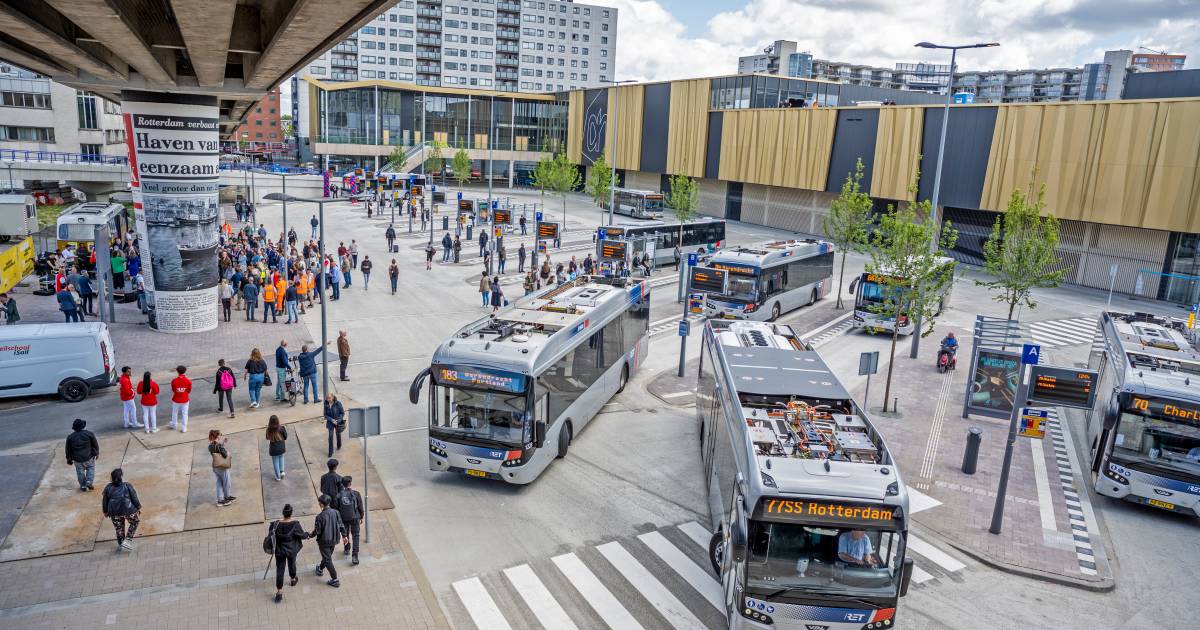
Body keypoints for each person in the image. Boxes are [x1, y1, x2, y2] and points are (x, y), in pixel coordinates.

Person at [271, 503, 308, 602]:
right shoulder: (295, 524)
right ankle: (293, 579)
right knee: (292, 564)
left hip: (279, 551)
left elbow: (271, 535)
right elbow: (302, 535)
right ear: (291, 514)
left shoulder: (275, 524)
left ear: (283, 513)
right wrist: (308, 534)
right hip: (291, 550)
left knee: (280, 570)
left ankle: (279, 592)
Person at [101, 468, 141, 550]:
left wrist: (105, 511)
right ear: (121, 477)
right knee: (135, 522)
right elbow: (134, 497)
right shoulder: (127, 485)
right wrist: (138, 507)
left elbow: (105, 500)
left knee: (119, 528)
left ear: (112, 478)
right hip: (128, 510)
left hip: (114, 512)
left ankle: (121, 544)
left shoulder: (108, 487)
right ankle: (128, 539)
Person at [311, 494, 345, 587]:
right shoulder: (336, 512)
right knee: (327, 557)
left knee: (327, 559)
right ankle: (320, 568)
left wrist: (310, 535)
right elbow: (341, 524)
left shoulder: (319, 517)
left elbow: (317, 531)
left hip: (324, 541)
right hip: (334, 539)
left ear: (322, 504)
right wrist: (344, 536)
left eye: (319, 502)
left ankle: (335, 579)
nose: (318, 503)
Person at [336, 476, 365, 565]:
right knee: (356, 536)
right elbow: (360, 507)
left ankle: (347, 548)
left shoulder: (339, 495)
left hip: (344, 518)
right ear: (350, 483)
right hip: (355, 518)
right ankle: (355, 556)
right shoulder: (356, 494)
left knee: (345, 534)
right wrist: (361, 516)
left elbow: (337, 509)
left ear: (342, 484)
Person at [65, 418, 99, 492]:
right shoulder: (89, 434)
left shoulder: (70, 437)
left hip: (77, 460)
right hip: (89, 457)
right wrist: (97, 453)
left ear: (74, 428)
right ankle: (89, 481)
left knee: (80, 473)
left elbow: (68, 449)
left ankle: (83, 485)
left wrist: (68, 459)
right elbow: (95, 444)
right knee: (90, 468)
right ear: (83, 426)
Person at [208, 429, 236, 507]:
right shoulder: (218, 445)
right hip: (222, 467)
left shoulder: (210, 446)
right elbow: (224, 455)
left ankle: (220, 500)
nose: (220, 436)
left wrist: (223, 443)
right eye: (220, 435)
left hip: (215, 466)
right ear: (217, 436)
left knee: (219, 482)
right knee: (227, 482)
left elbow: (217, 451)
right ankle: (226, 497)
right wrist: (223, 447)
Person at [266, 415, 289, 481]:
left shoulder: (268, 429)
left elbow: (267, 438)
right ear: (278, 421)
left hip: (273, 449)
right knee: (281, 458)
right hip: (281, 447)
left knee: (275, 462)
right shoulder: (281, 428)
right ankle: (282, 472)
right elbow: (285, 437)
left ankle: (278, 476)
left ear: (270, 422)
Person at [169, 365, 191, 433]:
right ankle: (184, 428)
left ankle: (174, 425)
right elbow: (189, 391)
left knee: (174, 412)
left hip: (176, 399)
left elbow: (173, 390)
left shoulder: (174, 381)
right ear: (185, 371)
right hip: (185, 399)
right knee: (185, 414)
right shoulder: (188, 381)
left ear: (177, 371)